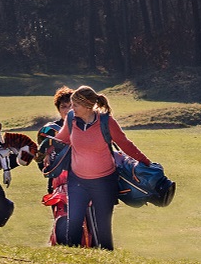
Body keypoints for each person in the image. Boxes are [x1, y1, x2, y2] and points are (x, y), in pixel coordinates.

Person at [55, 86, 151, 250]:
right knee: (74, 223)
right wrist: (43, 148)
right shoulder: (71, 119)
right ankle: (73, 260)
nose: (71, 109)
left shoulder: (106, 122)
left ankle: (107, 261)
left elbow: (125, 144)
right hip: (77, 180)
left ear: (86, 106)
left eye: (75, 105)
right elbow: (61, 139)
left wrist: (145, 162)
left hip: (104, 182)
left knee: (103, 227)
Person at [38, 86, 93, 246]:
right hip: (58, 186)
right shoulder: (49, 131)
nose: (68, 109)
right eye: (63, 106)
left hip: (86, 183)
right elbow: (42, 162)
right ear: (58, 110)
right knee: (64, 221)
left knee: (87, 223)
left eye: (71, 105)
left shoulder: (88, 127)